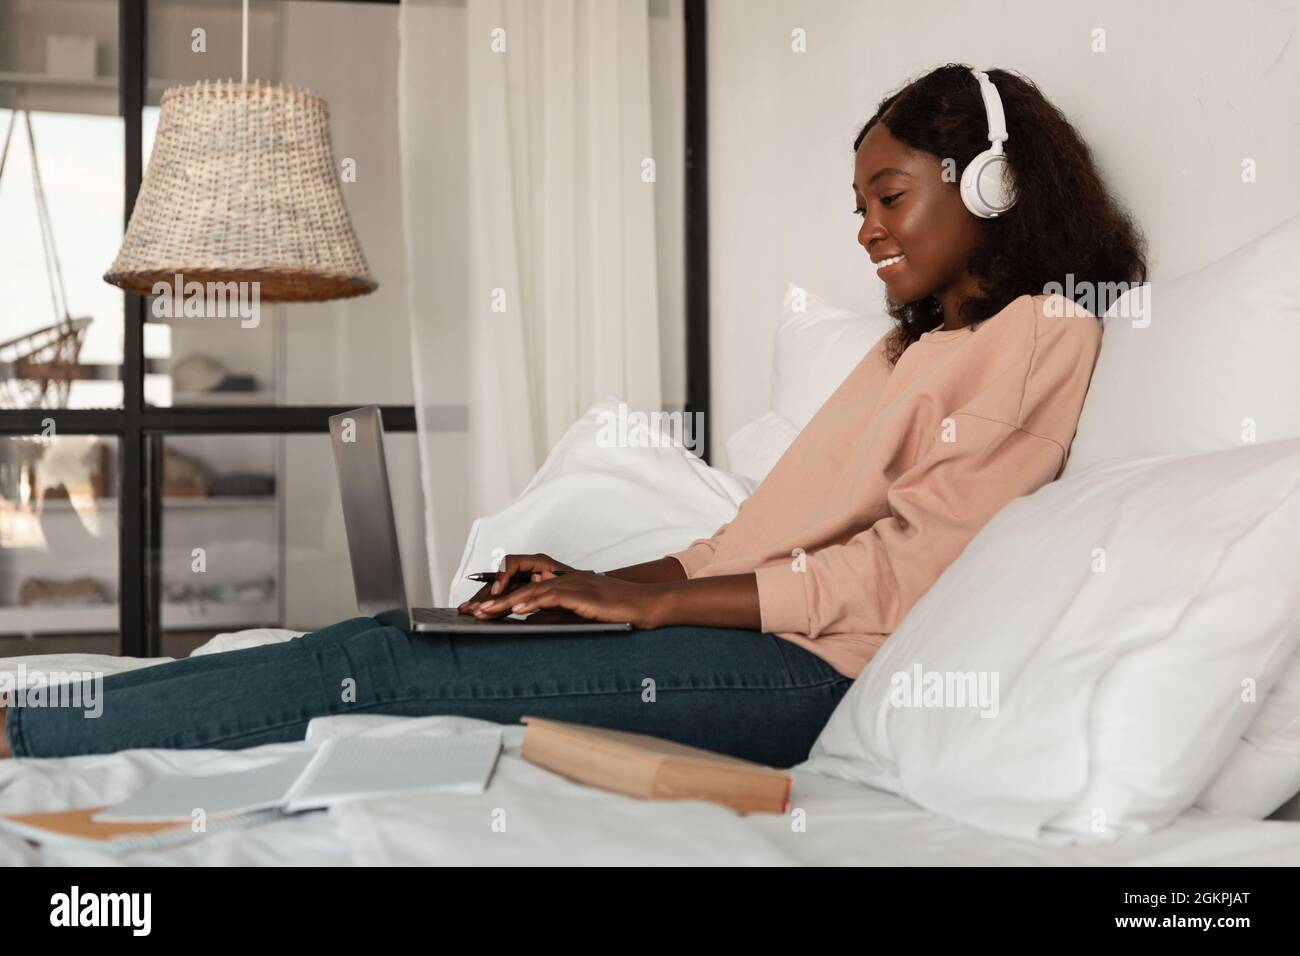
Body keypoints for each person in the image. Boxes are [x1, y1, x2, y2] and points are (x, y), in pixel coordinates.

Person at [0, 64, 1146, 767]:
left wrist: (647, 609)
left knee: (386, 662)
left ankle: (30, 731)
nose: (864, 229)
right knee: (397, 635)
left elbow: (899, 576)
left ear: (989, 182)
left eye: (888, 197)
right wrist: (589, 587)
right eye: (857, 205)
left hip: (811, 677)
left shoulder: (1043, 333)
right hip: (743, 634)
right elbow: (736, 545)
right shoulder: (911, 349)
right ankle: (31, 707)